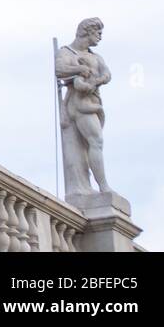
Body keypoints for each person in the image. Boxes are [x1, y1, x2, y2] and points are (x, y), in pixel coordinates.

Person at [54, 17, 112, 196]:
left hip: (93, 101)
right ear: (88, 31)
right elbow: (59, 69)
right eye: (99, 33)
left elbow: (107, 74)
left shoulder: (95, 56)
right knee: (96, 141)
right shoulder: (67, 52)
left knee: (90, 145)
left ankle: (91, 185)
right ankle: (103, 186)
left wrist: (97, 80)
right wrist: (78, 70)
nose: (100, 37)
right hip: (80, 103)